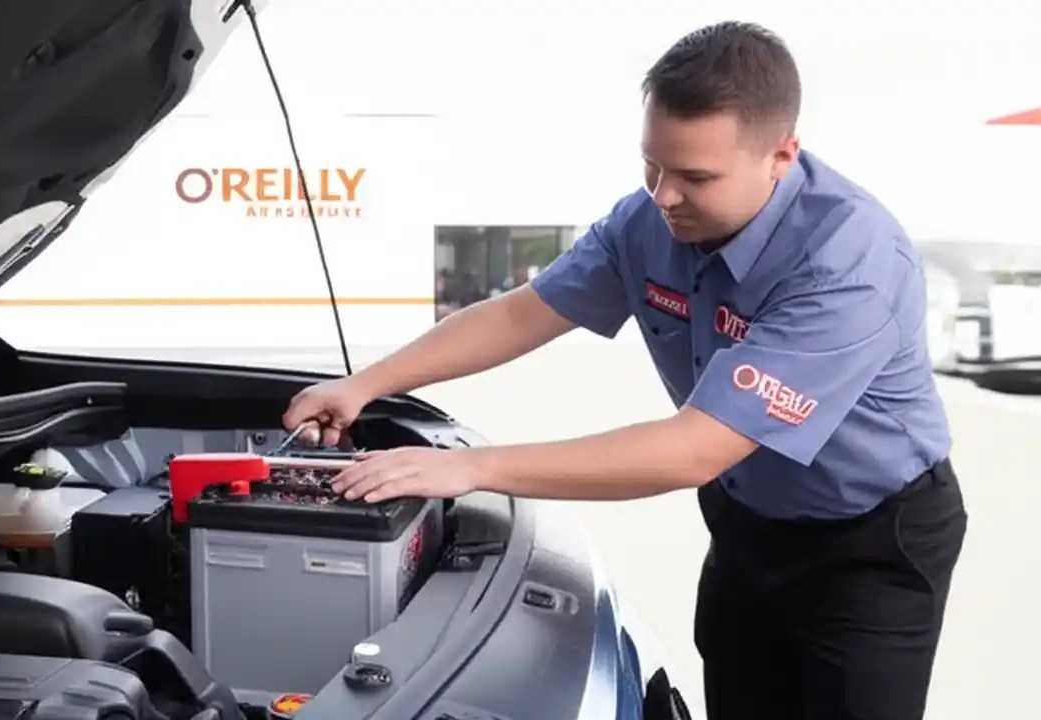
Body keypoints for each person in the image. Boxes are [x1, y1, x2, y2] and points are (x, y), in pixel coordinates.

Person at [282, 21, 967, 720]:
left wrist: (471, 467)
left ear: (781, 156)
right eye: (654, 165)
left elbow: (695, 448)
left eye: (695, 176)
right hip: (745, 523)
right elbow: (525, 313)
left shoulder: (847, 264)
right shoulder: (652, 221)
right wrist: (367, 384)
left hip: (870, 542)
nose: (664, 195)